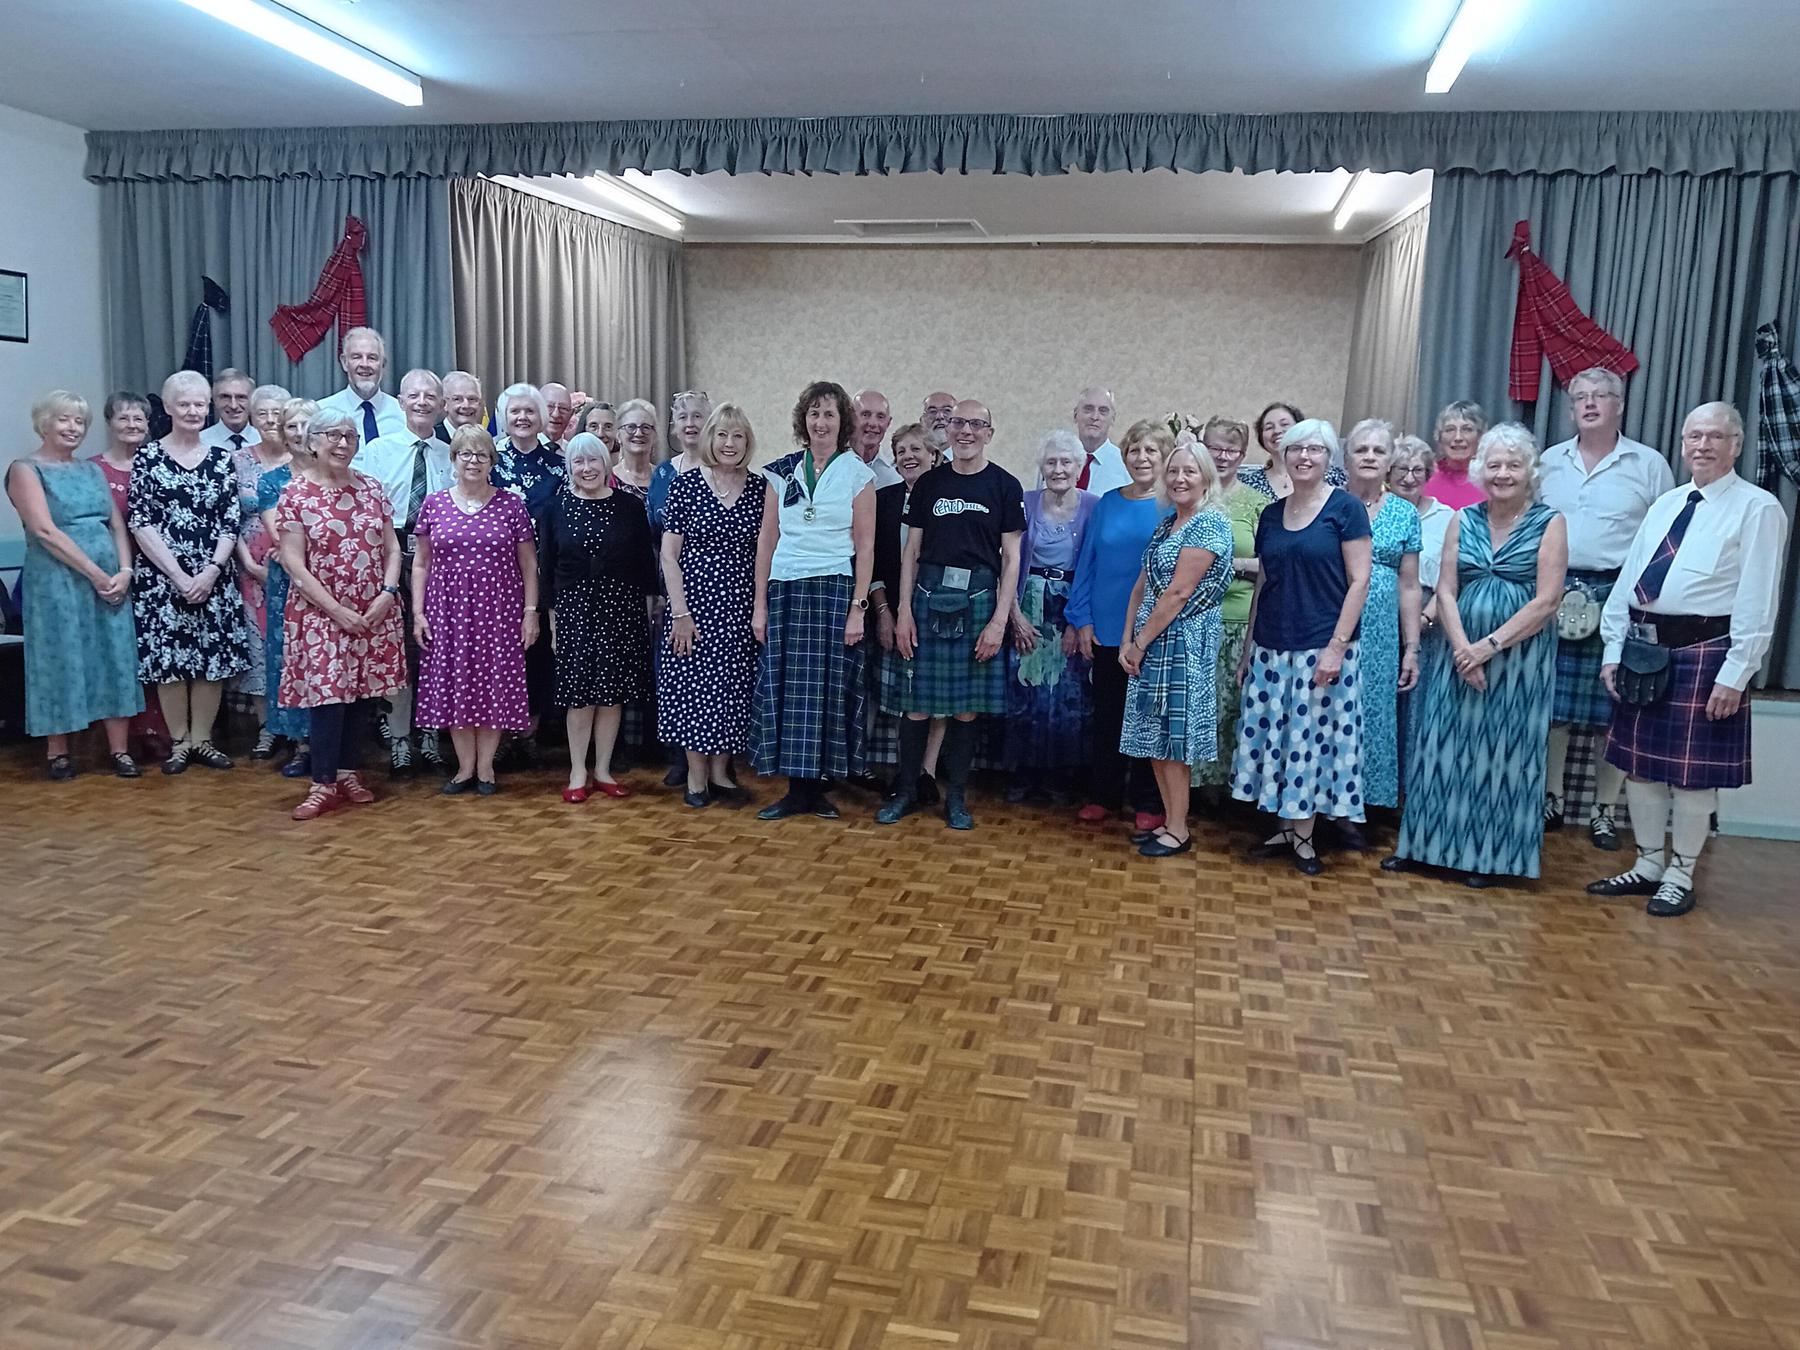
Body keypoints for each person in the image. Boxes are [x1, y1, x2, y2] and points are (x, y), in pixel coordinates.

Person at [1588, 402, 1789, 918]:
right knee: (1640, 771)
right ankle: (1649, 863)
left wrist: (1737, 673)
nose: (1703, 445)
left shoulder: (1758, 508)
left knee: (1694, 777)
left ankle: (1682, 873)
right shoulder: (1667, 504)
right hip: (1642, 649)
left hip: (1706, 654)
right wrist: (1614, 648)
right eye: (1694, 436)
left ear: (1736, 445)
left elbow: (1758, 598)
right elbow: (1630, 583)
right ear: (1682, 443)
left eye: (1715, 437)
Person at [1389, 424, 1568, 885]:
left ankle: (1488, 859)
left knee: (1501, 754)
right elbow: (1447, 590)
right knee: (1442, 746)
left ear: (1529, 472)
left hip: (1518, 659)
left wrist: (1489, 648)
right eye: (1494, 465)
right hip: (1458, 648)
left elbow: (1547, 601)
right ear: (1479, 472)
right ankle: (1423, 847)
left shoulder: (1551, 522)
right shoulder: (1462, 519)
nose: (1503, 473)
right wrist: (1463, 647)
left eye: (1513, 465)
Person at [1538, 368, 1673, 849]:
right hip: (1555, 590)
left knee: (1612, 708)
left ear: (1620, 405)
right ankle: (1551, 798)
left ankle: (1603, 810)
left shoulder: (1650, 464)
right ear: (1571, 407)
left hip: (1621, 597)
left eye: (1601, 396)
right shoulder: (1549, 461)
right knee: (1553, 706)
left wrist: (1643, 600)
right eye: (1581, 396)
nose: (1590, 403)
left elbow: (1666, 540)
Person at [1231, 419, 1372, 874]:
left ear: (1329, 458)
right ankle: (1285, 826)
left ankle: (1305, 836)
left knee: (1309, 743)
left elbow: (1360, 581)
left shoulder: (1346, 509)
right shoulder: (1272, 514)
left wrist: (1336, 647)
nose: (1304, 457)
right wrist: (1250, 644)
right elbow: (1265, 581)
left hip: (1321, 646)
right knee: (1278, 740)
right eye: (1295, 450)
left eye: (1314, 450)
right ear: (1283, 457)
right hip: (1272, 646)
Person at [878, 398, 1025, 831]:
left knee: (966, 711)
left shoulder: (1004, 486)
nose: (966, 432)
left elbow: (1012, 560)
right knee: (917, 707)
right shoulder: (929, 484)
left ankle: (956, 796)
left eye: (976, 425)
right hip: (926, 595)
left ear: (989, 433)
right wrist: (904, 610)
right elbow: (911, 552)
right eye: (959, 423)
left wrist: (999, 620)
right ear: (948, 429)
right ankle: (907, 790)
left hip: (979, 600)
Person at [272, 407, 408, 820]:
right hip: (320, 614)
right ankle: (321, 782)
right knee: (328, 697)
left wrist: (387, 592)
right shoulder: (296, 494)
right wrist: (335, 610)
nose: (343, 443)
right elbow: (293, 563)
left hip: (373, 610)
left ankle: (348, 773)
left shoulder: (371, 488)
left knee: (363, 694)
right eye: (333, 435)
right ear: (312, 442)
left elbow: (392, 549)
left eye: (349, 436)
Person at [750, 381, 877, 820]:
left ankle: (819, 788)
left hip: (835, 592)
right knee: (787, 691)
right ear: (803, 420)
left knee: (827, 692)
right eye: (814, 413)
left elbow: (866, 547)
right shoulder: (781, 471)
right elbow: (767, 541)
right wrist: (759, 606)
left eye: (829, 415)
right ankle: (793, 791)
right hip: (786, 589)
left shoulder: (859, 474)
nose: (820, 422)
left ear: (842, 423)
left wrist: (858, 608)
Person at [7, 391, 143, 778]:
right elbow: (45, 531)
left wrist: (124, 571)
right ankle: (58, 752)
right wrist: (97, 574)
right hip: (56, 581)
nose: (73, 428)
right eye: (64, 419)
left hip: (110, 581)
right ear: (44, 422)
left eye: (80, 422)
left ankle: (119, 751)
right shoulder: (25, 469)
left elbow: (116, 524)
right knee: (60, 658)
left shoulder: (91, 470)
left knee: (114, 655)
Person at [129, 369, 255, 773]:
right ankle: (179, 741)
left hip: (212, 576)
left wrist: (212, 570)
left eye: (200, 404)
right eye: (184, 404)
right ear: (167, 408)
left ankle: (202, 739)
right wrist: (179, 576)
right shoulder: (147, 457)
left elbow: (229, 521)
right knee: (170, 662)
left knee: (210, 660)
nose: (193, 411)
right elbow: (140, 521)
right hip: (162, 580)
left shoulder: (221, 459)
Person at [1117, 444, 1235, 856]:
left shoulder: (1209, 525)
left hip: (1182, 643)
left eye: (1190, 471)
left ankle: (1179, 829)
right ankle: (1168, 821)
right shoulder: (1167, 524)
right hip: (1149, 640)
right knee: (1152, 736)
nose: (1180, 479)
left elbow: (1179, 593)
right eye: (1174, 472)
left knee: (1173, 740)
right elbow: (1142, 584)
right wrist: (1127, 639)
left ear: (1206, 477)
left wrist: (1140, 642)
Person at [412, 426, 539, 795]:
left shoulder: (511, 505)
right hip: (448, 612)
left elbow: (529, 564)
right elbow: (421, 563)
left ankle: (486, 768)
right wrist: (418, 613)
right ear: (452, 460)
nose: (473, 460)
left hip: (499, 612)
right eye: (465, 454)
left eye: (481, 454)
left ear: (491, 462)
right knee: (456, 687)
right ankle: (464, 767)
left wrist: (530, 611)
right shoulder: (434, 504)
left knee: (494, 686)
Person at [539, 434, 657, 803]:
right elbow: (549, 572)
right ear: (570, 467)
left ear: (606, 464)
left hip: (622, 610)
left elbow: (644, 563)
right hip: (575, 610)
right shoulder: (554, 509)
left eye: (594, 461)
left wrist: (651, 606)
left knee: (613, 695)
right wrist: (554, 622)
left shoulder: (629, 507)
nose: (587, 468)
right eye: (579, 462)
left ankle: (603, 769)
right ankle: (577, 771)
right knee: (580, 696)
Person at [659, 405, 766, 807]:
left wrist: (760, 607)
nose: (729, 444)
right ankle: (696, 779)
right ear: (709, 439)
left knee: (733, 690)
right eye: (722, 435)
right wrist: (680, 613)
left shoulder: (760, 489)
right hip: (695, 608)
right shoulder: (684, 486)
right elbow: (669, 556)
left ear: (747, 442)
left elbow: (765, 553)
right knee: (693, 691)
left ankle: (722, 773)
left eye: (737, 436)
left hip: (741, 608)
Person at [1066, 419, 1170, 831]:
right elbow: (1086, 564)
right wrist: (1083, 619)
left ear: (1165, 459)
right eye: (1134, 450)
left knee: (1147, 716)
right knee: (1107, 714)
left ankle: (1147, 798)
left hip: (1153, 629)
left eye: (1151, 451)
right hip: (1107, 626)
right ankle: (1104, 794)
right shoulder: (1107, 502)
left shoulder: (1174, 506)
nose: (1141, 458)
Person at [355, 369, 456, 776]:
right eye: (413, 395)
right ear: (400, 402)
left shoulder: (451, 452)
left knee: (434, 646)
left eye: (430, 396)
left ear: (442, 405)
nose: (422, 402)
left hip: (440, 559)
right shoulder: (378, 450)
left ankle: (430, 733)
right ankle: (399, 737)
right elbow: (367, 508)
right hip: (391, 552)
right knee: (396, 650)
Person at [1001, 429, 1096, 801]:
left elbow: (1092, 567)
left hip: (1070, 605)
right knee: (1024, 688)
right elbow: (1006, 562)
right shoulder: (1023, 502)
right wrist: (1013, 616)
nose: (1058, 469)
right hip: (1027, 604)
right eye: (1051, 462)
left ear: (1079, 466)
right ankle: (1023, 774)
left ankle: (1060, 777)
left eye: (1066, 462)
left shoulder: (1094, 505)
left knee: (1068, 696)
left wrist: (1077, 621)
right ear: (1042, 467)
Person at [1343, 419, 1422, 820]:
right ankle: (1321, 808)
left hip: (1380, 634)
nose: (1370, 457)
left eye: (1378, 451)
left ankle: (1362, 809)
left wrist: (1411, 648)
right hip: (1330, 626)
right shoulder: (1329, 504)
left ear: (1390, 460)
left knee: (1372, 715)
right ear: (1347, 457)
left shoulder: (1405, 513)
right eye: (1362, 450)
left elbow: (1410, 586)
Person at [91, 390, 172, 762]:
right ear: (110, 423)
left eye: (139, 418)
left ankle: (158, 729)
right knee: (123, 655)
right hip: (114, 575)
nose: (132, 425)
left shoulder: (162, 463)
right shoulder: (93, 469)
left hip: (160, 572)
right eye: (123, 418)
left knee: (156, 652)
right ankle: (126, 735)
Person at [1190, 417, 1268, 796]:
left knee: (1229, 710)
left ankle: (1223, 790)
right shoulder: (1189, 492)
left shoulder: (1258, 504)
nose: (1222, 457)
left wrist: (1229, 564)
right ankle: (1186, 790)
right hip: (1190, 619)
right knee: (1192, 709)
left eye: (1231, 450)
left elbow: (1270, 564)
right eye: (1214, 448)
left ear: (1243, 455)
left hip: (1237, 620)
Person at [873, 423, 948, 802]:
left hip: (938, 610)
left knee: (935, 694)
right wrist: (885, 610)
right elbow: (870, 562)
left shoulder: (947, 499)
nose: (909, 457)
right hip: (893, 607)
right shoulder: (882, 499)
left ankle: (927, 774)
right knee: (906, 696)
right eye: (901, 450)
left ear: (934, 456)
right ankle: (905, 773)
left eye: (917, 449)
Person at [230, 382, 293, 758]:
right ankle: (266, 728)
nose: (270, 420)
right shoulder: (238, 461)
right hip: (251, 566)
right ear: (251, 419)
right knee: (260, 648)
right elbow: (228, 518)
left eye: (277, 414)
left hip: (298, 567)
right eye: (263, 414)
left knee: (294, 647)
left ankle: (298, 727)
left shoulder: (303, 461)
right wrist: (248, 563)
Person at [259, 399, 318, 777]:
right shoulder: (271, 481)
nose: (299, 433)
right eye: (292, 426)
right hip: (291, 583)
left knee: (328, 660)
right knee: (294, 660)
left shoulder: (343, 474)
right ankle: (302, 746)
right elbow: (278, 535)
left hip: (338, 578)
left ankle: (336, 743)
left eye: (306, 426)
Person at [1240, 402, 1348, 499]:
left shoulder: (1333, 476)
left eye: (1284, 424)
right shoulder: (1249, 484)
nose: (1277, 431)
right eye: (1269, 427)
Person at [317, 328, 405, 446]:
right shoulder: (321, 411)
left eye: (372, 358)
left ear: (383, 365)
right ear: (344, 362)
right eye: (357, 357)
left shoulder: (402, 413)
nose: (365, 364)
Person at [492, 383, 567, 514]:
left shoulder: (562, 467)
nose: (522, 417)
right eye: (515, 411)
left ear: (541, 416)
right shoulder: (491, 465)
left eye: (530, 411)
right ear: (504, 417)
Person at [648, 390, 714, 533]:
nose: (690, 423)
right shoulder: (662, 473)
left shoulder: (720, 470)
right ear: (675, 426)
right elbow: (652, 528)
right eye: (683, 417)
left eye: (697, 416)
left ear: (709, 423)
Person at [1063, 386, 1132, 494]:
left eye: (1103, 411)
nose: (1095, 417)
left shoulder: (1126, 465)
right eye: (1088, 409)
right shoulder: (1055, 460)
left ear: (1113, 418)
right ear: (1075, 414)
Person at [1424, 401, 1489, 509]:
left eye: (1467, 429)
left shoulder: (1491, 478)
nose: (1458, 437)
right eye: (1450, 430)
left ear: (1481, 436)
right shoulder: (1425, 476)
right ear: (1439, 437)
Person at [853, 389, 903, 488]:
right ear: (850, 418)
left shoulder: (895, 473)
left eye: (880, 417)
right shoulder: (834, 462)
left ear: (888, 423)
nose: (873, 423)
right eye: (865, 415)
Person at [199, 369, 259, 452]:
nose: (233, 406)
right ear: (214, 401)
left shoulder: (263, 440)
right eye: (225, 397)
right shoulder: (200, 443)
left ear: (253, 401)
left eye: (241, 397)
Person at [612, 399, 659, 499]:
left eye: (645, 427)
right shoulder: (607, 480)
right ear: (618, 435)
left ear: (654, 435)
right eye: (631, 427)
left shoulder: (665, 478)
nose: (638, 433)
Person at [437, 371, 487, 442]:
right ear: (445, 404)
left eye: (472, 399)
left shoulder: (485, 440)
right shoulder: (433, 439)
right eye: (457, 399)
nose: (466, 405)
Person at [921, 391, 957, 456]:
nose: (939, 416)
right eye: (932, 411)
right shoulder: (913, 461)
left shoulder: (971, 461)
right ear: (922, 421)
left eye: (947, 410)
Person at [540, 382, 574, 449]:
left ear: (571, 414)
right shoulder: (520, 448)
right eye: (550, 406)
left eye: (563, 408)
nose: (556, 415)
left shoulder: (573, 453)